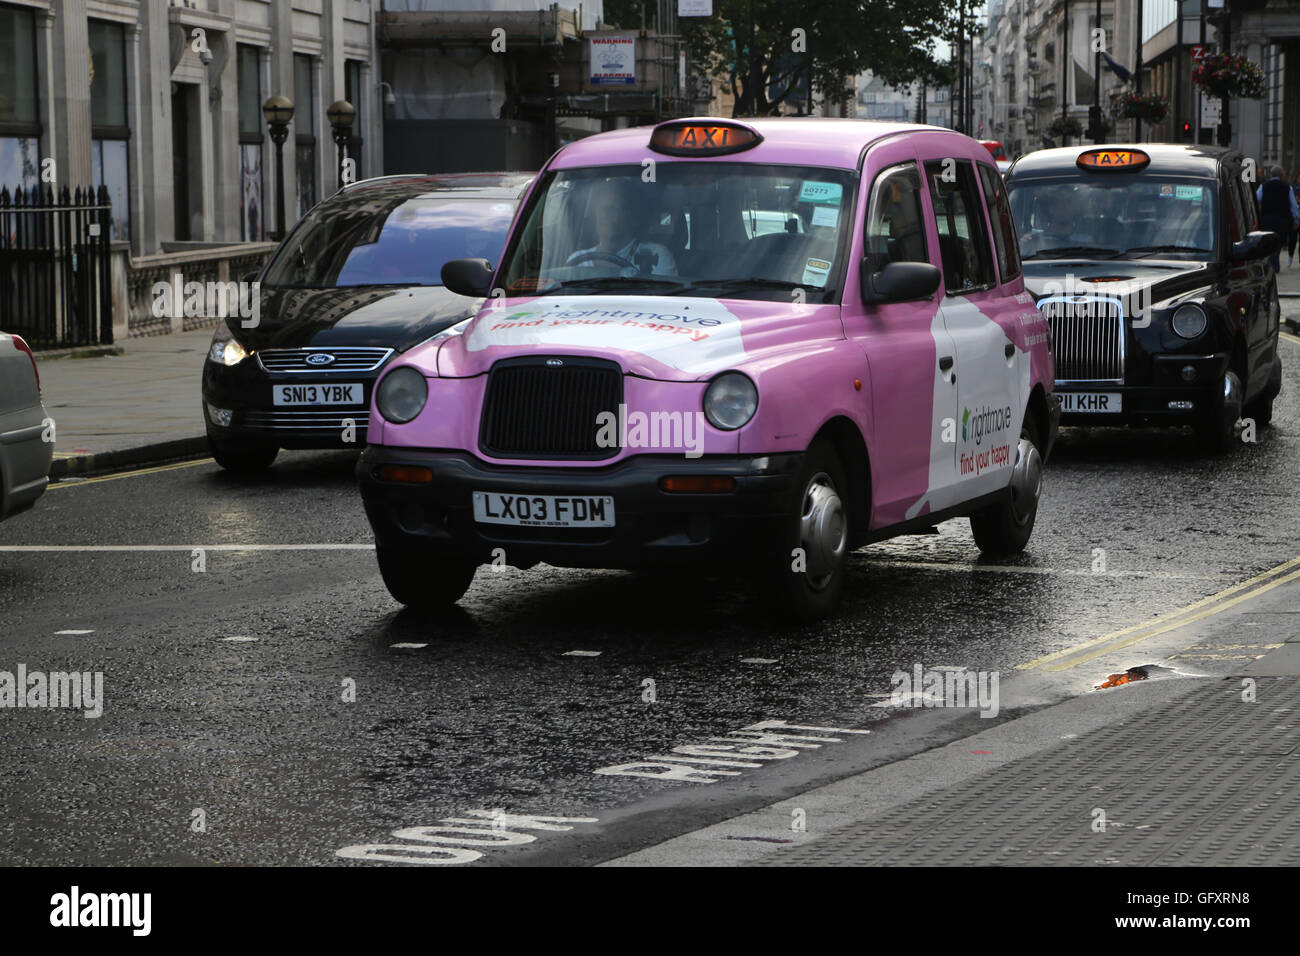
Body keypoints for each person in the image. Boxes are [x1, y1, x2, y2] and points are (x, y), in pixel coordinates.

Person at [567, 179, 678, 276]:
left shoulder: (656, 256)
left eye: (614, 209)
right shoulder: (578, 260)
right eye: (602, 208)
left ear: (634, 220)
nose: (605, 215)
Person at [1255, 165, 1298, 271]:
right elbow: (1293, 205)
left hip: (1267, 218)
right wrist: (1296, 219)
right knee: (1278, 242)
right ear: (1281, 175)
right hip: (1282, 220)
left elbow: (1256, 200)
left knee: (1268, 242)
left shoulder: (1263, 186)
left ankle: (1271, 264)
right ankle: (1275, 263)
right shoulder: (1288, 187)